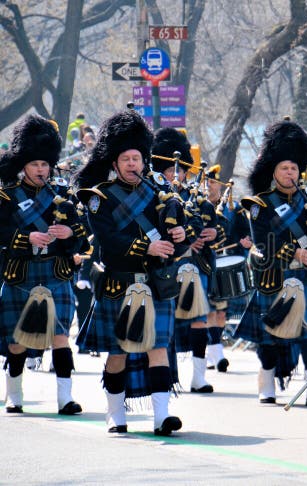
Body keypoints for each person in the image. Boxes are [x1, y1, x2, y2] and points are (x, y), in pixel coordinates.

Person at [76, 110, 186, 436]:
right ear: (114, 162)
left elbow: (171, 236)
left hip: (153, 282)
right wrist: (147, 248)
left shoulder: (159, 193)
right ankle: (115, 415)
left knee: (158, 347)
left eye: (136, 157)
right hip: (118, 282)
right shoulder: (100, 198)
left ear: (143, 159)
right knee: (117, 351)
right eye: (125, 158)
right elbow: (109, 242)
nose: (132, 163)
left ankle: (161, 416)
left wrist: (179, 237)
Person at [235, 119, 307, 407]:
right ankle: (266, 379)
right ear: (273, 171)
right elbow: (262, 241)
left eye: (293, 168)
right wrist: (294, 253)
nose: (290, 172)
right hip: (274, 276)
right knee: (270, 340)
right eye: (284, 168)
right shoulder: (259, 204)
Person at [0, 114, 89, 415]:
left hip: (55, 273)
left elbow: (82, 240)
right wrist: (26, 239)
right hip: (21, 274)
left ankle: (65, 398)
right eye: (35, 164)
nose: (41, 169)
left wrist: (68, 234)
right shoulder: (6, 197)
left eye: (45, 164)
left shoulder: (63, 196)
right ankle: (15, 394)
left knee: (61, 336)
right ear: (22, 164)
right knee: (17, 340)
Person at [150, 127, 217, 394]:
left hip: (193, 265)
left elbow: (205, 222)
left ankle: (198, 377)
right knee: (165, 326)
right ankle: (167, 375)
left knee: (199, 319)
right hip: (165, 265)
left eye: (180, 170)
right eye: (171, 170)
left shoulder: (195, 196)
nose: (176, 175)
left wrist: (208, 233)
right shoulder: (152, 194)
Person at [204, 164, 249, 372]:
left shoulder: (233, 208)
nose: (208, 186)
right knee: (208, 311)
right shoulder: (197, 205)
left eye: (212, 182)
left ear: (220, 185)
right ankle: (216, 352)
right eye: (206, 182)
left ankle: (214, 351)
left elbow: (245, 232)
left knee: (220, 313)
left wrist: (246, 242)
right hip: (203, 262)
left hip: (224, 263)